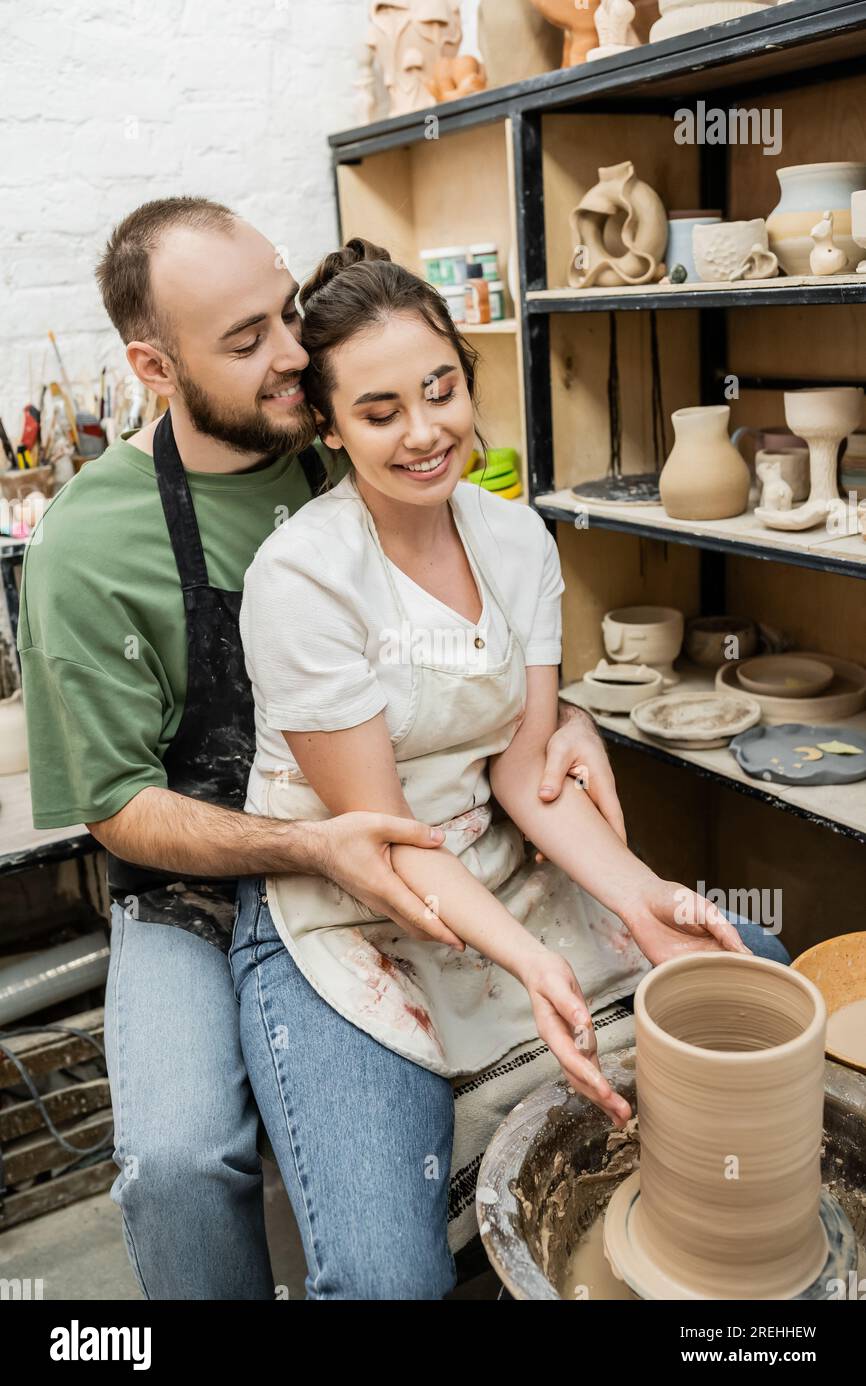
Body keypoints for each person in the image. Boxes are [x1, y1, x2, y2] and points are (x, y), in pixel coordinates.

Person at [17, 199, 626, 1300]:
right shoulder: (90, 542)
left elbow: (473, 649)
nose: (296, 356)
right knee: (180, 1159)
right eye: (245, 343)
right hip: (198, 887)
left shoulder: (345, 436)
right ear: (155, 366)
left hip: (404, 837)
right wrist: (308, 846)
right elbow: (114, 805)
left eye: (286, 314)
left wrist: (559, 716)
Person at [234, 239, 790, 1300]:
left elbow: (526, 772)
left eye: (439, 390)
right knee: (389, 1281)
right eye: (379, 410)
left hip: (495, 859)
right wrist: (535, 968)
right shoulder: (303, 576)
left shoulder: (513, 537)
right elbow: (385, 840)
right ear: (329, 424)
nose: (424, 431)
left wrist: (641, 896)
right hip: (347, 902)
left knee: (741, 966)